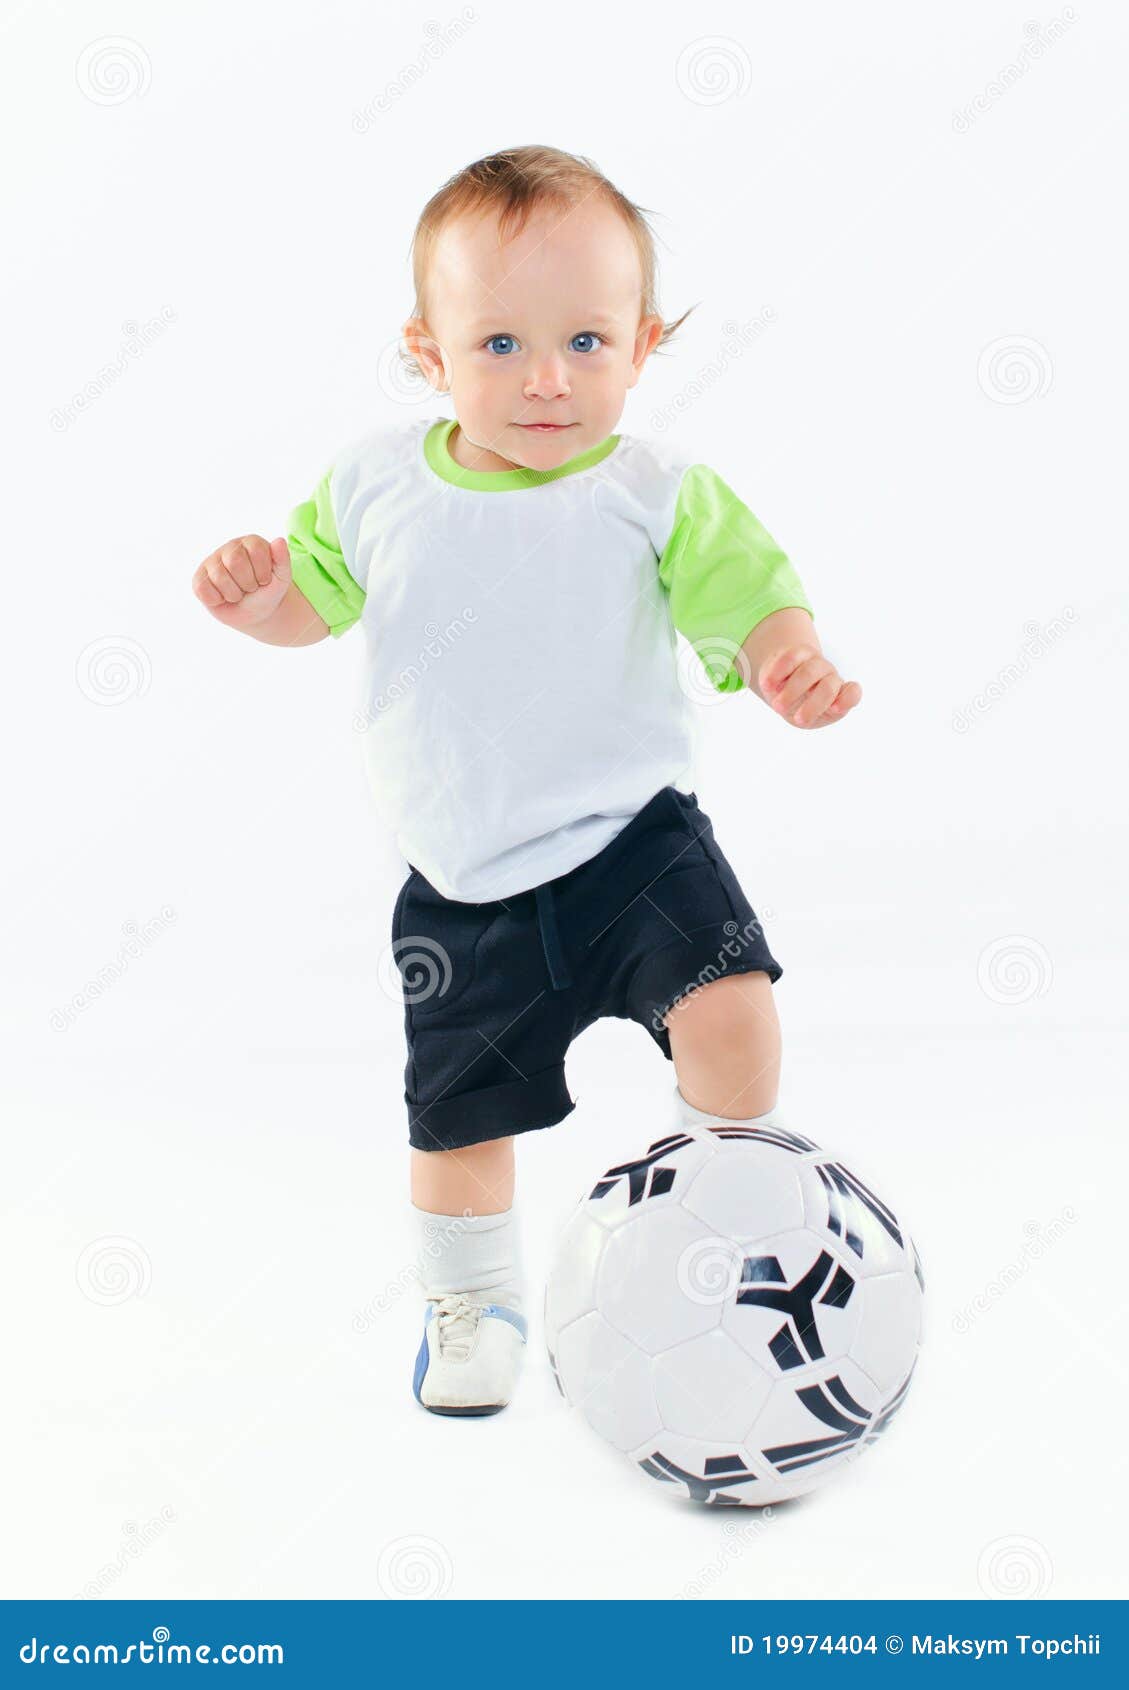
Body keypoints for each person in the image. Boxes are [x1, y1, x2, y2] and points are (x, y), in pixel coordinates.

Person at [191, 144, 861, 1419]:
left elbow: (750, 594)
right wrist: (261, 597)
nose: (547, 378)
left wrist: (787, 660)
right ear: (427, 353)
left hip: (635, 843)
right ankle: (474, 1304)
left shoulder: (653, 491)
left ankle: (723, 1206)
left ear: (643, 345)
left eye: (585, 342)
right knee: (456, 1121)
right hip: (464, 885)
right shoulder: (372, 484)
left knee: (733, 1012)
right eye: (499, 344)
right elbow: (311, 605)